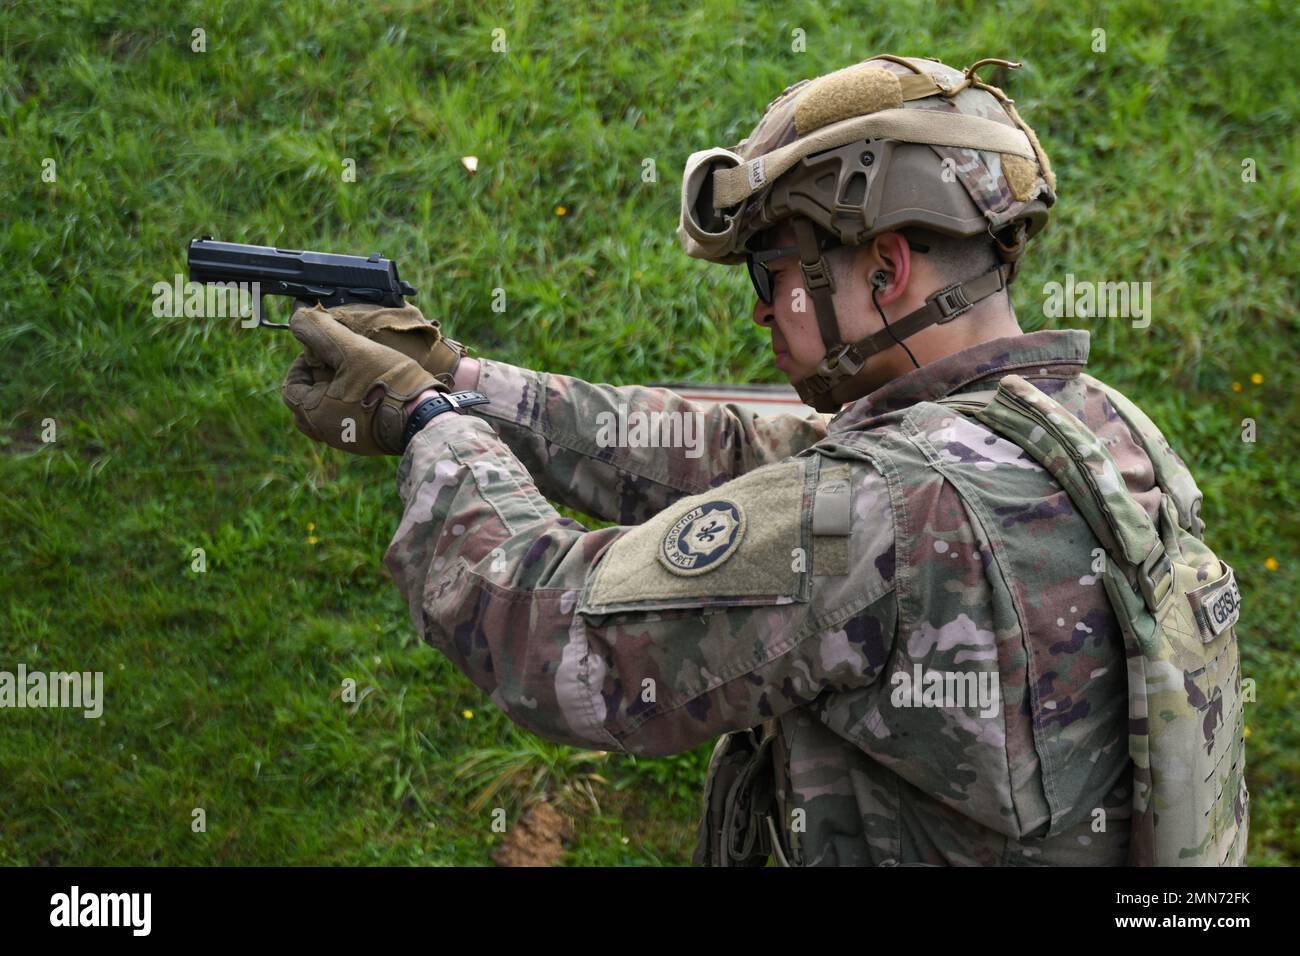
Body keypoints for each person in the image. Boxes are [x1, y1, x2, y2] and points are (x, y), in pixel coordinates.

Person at [281, 54, 1247, 866]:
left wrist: (425, 423)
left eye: (773, 273)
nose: (759, 308)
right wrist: (469, 378)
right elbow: (742, 458)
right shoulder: (1084, 427)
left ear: (885, 267)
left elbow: (556, 633)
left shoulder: (888, 514)